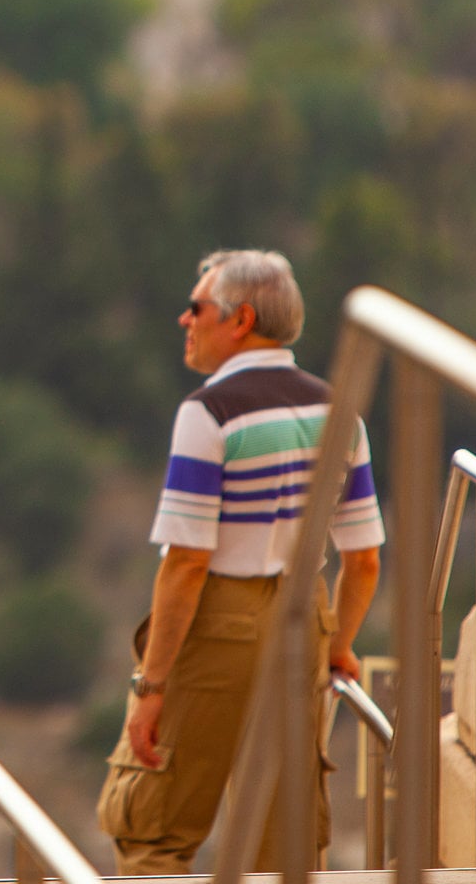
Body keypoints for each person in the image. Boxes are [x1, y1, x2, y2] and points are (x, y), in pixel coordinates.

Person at [97, 249, 384, 875]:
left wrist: (151, 687)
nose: (184, 319)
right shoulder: (340, 414)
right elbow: (363, 560)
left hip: (219, 621)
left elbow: (188, 562)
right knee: (282, 843)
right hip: (305, 620)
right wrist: (337, 645)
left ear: (241, 318)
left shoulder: (208, 413)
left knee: (155, 827)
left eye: (196, 307)